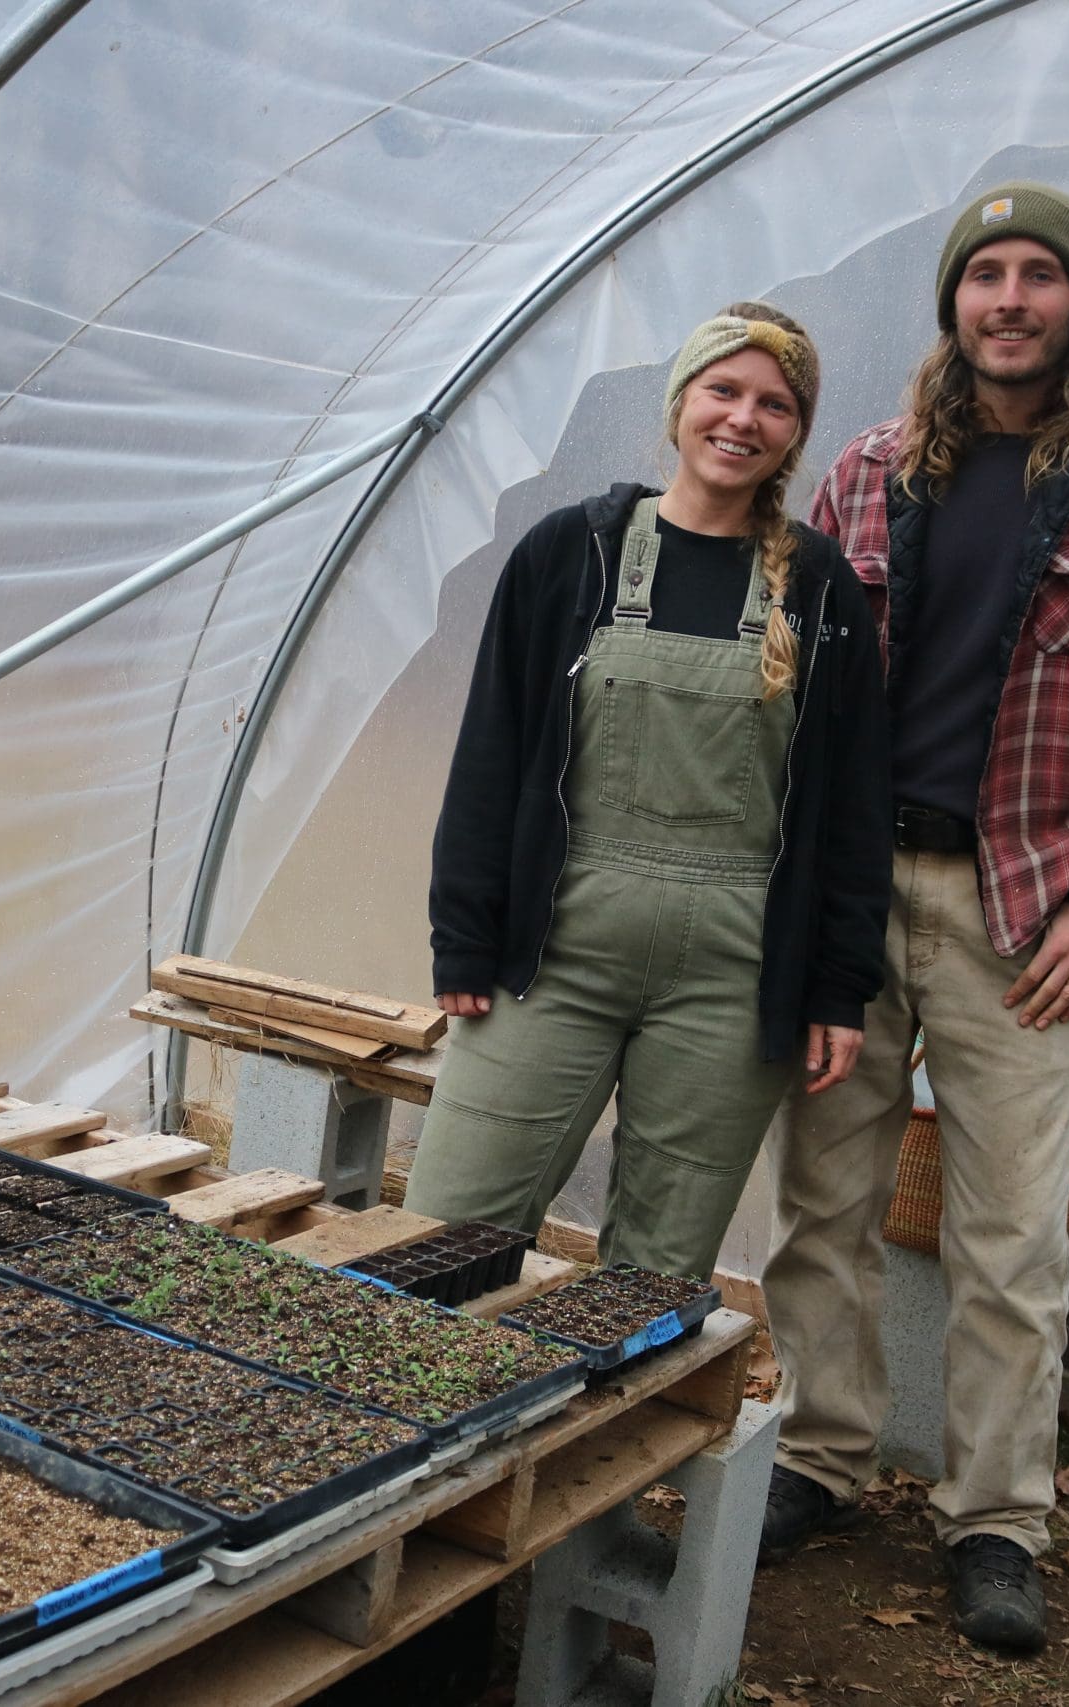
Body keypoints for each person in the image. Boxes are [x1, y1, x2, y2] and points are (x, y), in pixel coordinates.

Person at [757, 184, 1069, 1652]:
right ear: (953, 301)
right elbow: (797, 692)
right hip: (852, 896)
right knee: (823, 1202)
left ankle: (995, 1520)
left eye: (1038, 276)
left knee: (1011, 1239)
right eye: (984, 275)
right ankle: (820, 1455)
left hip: (1021, 912)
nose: (1008, 300)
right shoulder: (867, 472)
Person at [402, 303, 891, 1282]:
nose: (743, 418)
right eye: (723, 390)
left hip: (732, 978)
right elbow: (491, 749)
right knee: (443, 1239)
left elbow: (851, 800)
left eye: (775, 404)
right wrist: (462, 932)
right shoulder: (568, 553)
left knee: (651, 1277)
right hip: (554, 955)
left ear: (796, 432)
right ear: (679, 404)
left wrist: (839, 985)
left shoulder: (818, 586)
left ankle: (602, 1386)